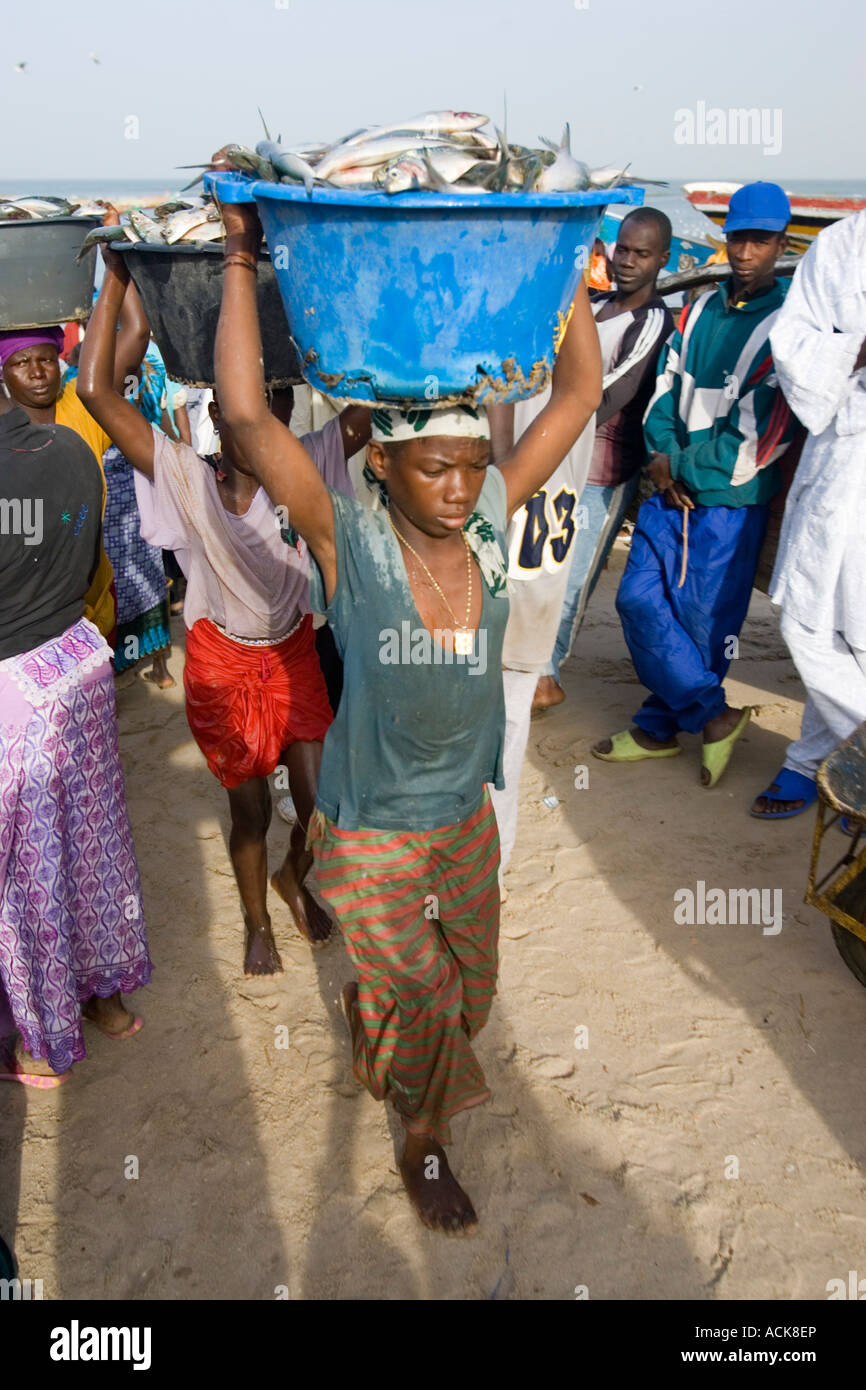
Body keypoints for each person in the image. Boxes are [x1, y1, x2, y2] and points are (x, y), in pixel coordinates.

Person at [213, 198, 601, 1232]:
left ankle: (372, 1016)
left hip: (462, 818)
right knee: (427, 995)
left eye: (471, 467)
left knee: (470, 992)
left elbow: (576, 395)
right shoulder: (346, 541)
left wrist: (568, 264)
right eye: (433, 466)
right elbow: (247, 417)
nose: (456, 486)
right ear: (380, 463)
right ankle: (422, 1139)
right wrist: (242, 255)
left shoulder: (481, 523)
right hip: (373, 832)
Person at [77, 250, 370, 977]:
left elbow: (370, 408)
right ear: (217, 413)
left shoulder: (307, 463)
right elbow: (94, 391)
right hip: (222, 663)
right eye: (244, 406)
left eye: (274, 403)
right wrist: (122, 280)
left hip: (295, 649)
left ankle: (293, 877)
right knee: (249, 816)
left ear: (281, 414)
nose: (259, 419)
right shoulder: (184, 477)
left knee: (318, 810)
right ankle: (256, 920)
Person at [593, 182, 795, 787]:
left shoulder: (788, 325)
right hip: (667, 486)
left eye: (760, 240)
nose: (745, 251)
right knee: (635, 601)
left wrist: (676, 467)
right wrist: (661, 457)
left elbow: (761, 439)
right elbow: (663, 391)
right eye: (737, 237)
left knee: (703, 625)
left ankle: (659, 726)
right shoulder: (701, 306)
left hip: (726, 502)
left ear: (780, 244)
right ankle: (712, 716)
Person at [0, 395, 152, 1088]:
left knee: (29, 875)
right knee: (91, 843)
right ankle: (107, 1001)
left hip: (16, 689)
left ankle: (37, 1040)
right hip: (80, 662)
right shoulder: (70, 450)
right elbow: (83, 545)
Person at [533, 207, 674, 711]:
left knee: (572, 580)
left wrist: (538, 419)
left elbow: (602, 396)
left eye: (641, 254)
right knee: (539, 567)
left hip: (599, 474)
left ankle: (546, 678)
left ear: (662, 258)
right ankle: (532, 669)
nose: (627, 262)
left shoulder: (653, 320)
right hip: (553, 461)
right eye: (622, 250)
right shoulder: (594, 304)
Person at [751, 209, 866, 819]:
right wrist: (858, 349)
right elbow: (793, 341)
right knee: (810, 620)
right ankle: (838, 758)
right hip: (843, 454)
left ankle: (821, 763)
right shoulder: (840, 245)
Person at [0, 281, 148, 644]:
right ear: (2, 373)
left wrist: (114, 264)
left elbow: (137, 331)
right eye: (21, 362)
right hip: (19, 625)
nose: (37, 372)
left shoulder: (83, 409)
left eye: (47, 360)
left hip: (90, 609)